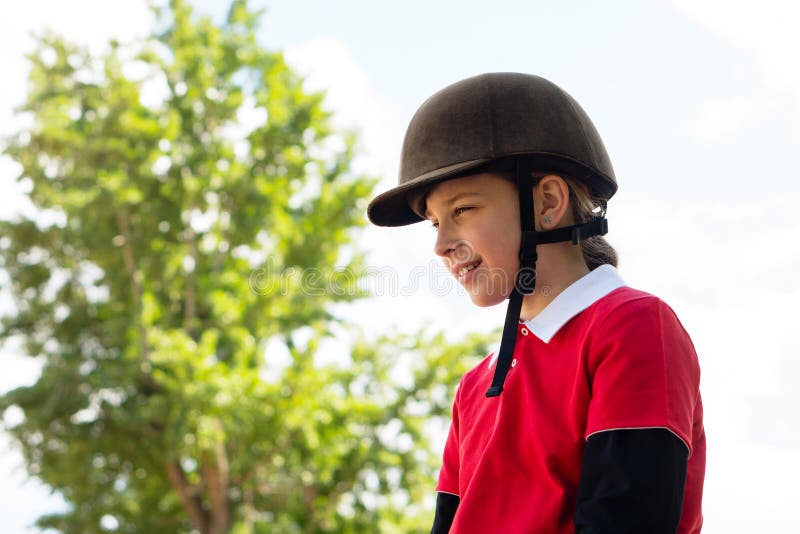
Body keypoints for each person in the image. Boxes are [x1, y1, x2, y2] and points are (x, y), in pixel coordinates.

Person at [367, 73, 705, 533]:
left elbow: (626, 521)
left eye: (462, 210)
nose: (441, 244)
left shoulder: (633, 325)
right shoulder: (474, 388)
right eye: (434, 223)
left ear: (547, 202)